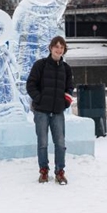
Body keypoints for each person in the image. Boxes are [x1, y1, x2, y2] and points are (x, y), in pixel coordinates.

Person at [27, 35, 74, 185]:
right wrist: (39, 99)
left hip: (58, 112)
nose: (59, 50)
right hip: (41, 111)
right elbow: (30, 85)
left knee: (60, 143)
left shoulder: (66, 68)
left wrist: (65, 102)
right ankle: (44, 172)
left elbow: (69, 88)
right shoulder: (40, 65)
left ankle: (60, 172)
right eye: (56, 46)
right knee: (43, 143)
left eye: (62, 47)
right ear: (51, 48)